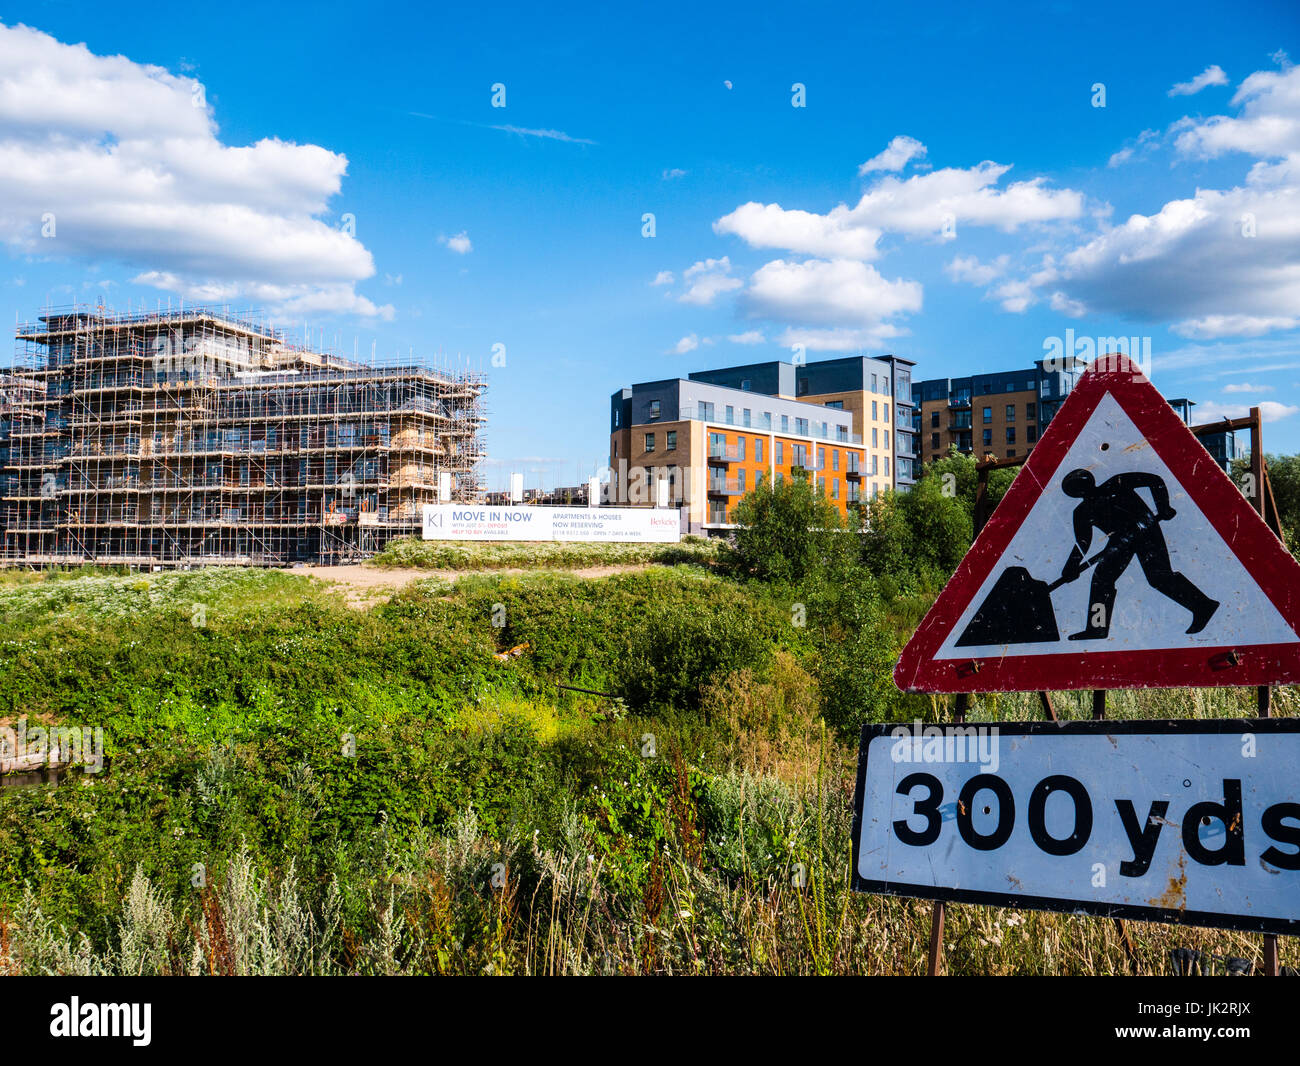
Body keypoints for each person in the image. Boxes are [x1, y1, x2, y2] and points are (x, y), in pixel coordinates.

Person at [1058, 468, 1218, 640]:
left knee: (1159, 577)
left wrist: (1163, 506)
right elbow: (1083, 542)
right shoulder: (1082, 512)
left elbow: (1154, 479)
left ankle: (1203, 606)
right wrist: (1071, 566)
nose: (1084, 492)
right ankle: (1097, 628)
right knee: (1101, 579)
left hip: (1144, 529)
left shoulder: (1116, 483)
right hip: (1119, 542)